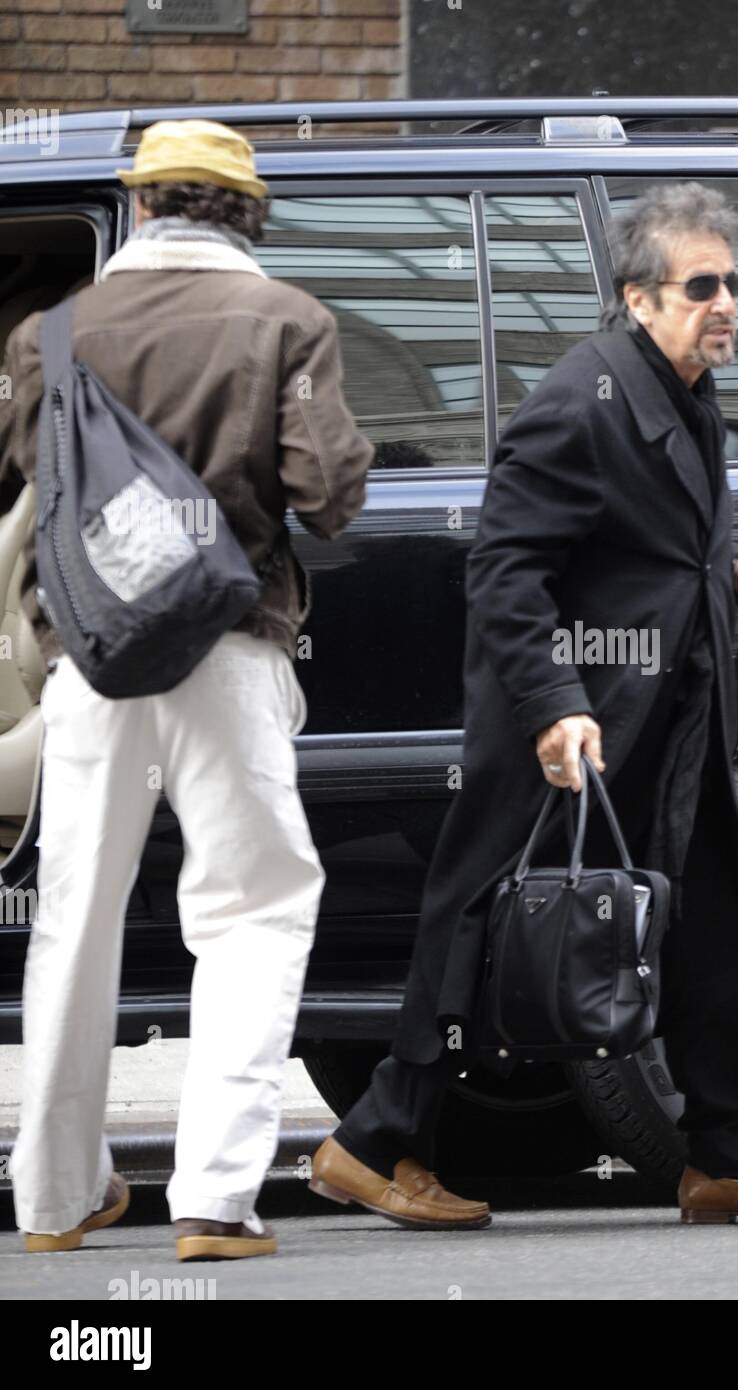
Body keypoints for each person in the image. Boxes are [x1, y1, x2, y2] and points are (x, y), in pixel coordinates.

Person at [310, 182, 738, 1228]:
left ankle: (728, 1155)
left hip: (668, 723)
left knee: (710, 931)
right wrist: (557, 708)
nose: (727, 302)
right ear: (637, 297)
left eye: (735, 283)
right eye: (702, 286)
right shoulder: (580, 401)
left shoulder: (687, 396)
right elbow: (507, 575)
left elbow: (646, 565)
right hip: (572, 731)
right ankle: (371, 1143)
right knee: (478, 925)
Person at [0, 119, 374, 1260]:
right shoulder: (288, 321)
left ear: (146, 206)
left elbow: (24, 465)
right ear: (246, 212)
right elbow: (331, 492)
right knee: (252, 907)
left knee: (75, 917)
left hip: (91, 657)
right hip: (229, 640)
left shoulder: (53, 332)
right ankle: (214, 1200)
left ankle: (57, 1201)